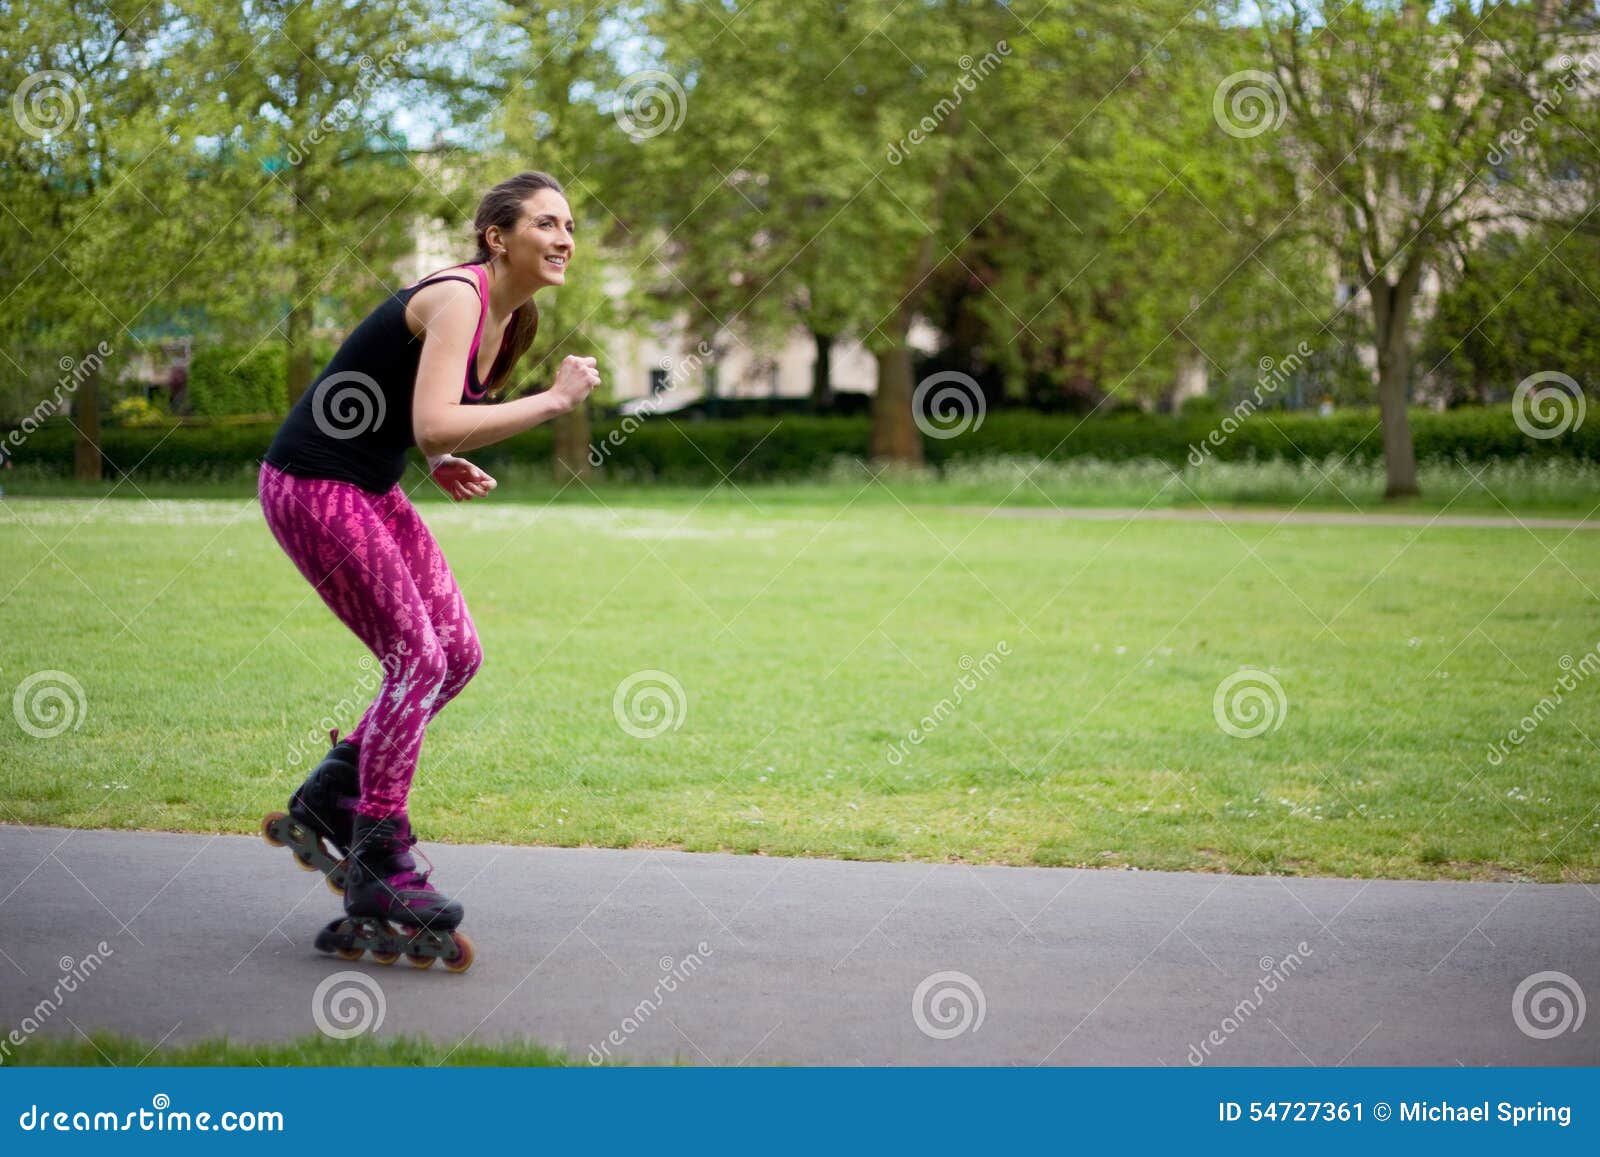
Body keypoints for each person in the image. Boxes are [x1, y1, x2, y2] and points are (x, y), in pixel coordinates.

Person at [258, 171, 599, 940]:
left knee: (459, 651)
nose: (565, 237)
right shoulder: (461, 298)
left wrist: (438, 457)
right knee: (416, 655)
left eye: (570, 224)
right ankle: (379, 861)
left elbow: (424, 420)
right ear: (497, 237)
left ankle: (332, 789)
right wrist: (553, 400)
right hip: (311, 484)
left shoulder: (514, 319)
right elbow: (438, 422)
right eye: (546, 223)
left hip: (369, 485)